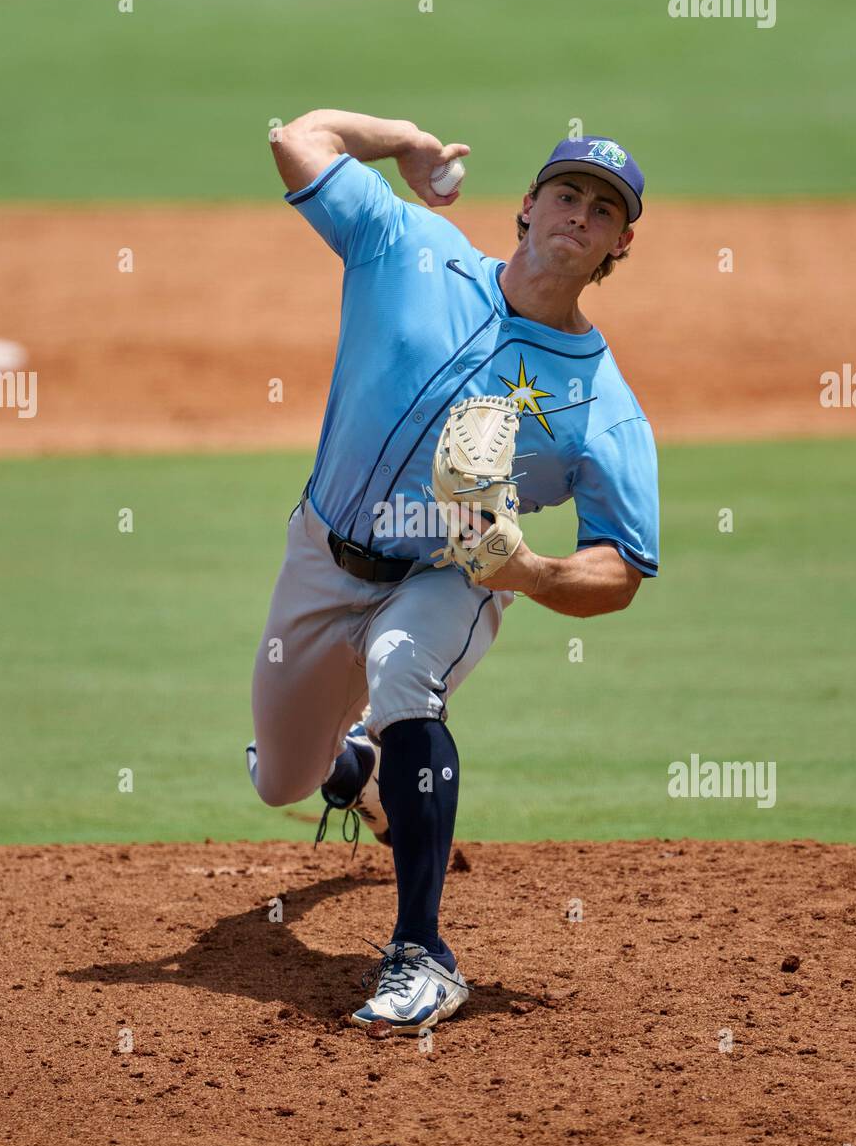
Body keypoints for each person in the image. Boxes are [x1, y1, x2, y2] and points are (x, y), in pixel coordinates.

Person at [247, 112, 659, 1033]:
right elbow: (295, 140)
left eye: (602, 211)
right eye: (566, 194)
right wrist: (401, 141)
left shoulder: (603, 405)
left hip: (449, 576)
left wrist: (535, 572)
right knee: (281, 779)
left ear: (618, 244)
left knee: (403, 667)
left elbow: (622, 565)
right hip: (321, 557)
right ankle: (351, 767)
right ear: (527, 205)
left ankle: (422, 954)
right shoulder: (408, 246)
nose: (579, 216)